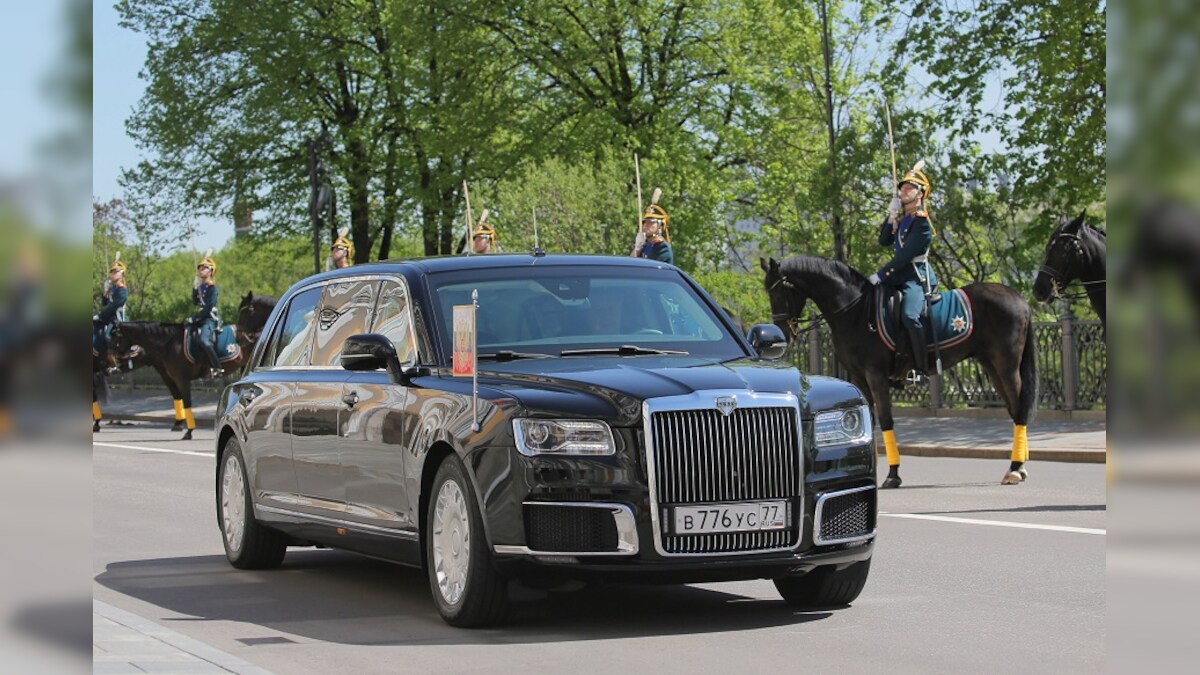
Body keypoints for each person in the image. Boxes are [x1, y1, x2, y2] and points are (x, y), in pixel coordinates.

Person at [868, 167, 937, 381]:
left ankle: (921, 369)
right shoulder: (902, 219)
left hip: (916, 276)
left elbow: (904, 256)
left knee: (909, 315)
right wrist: (891, 216)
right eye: (903, 188)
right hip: (900, 274)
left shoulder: (922, 223)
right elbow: (883, 241)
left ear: (920, 194)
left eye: (910, 188)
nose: (904, 191)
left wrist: (881, 274)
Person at [188, 255, 223, 379]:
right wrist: (194, 288)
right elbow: (195, 302)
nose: (201, 270)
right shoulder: (201, 287)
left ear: (211, 271)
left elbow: (208, 307)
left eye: (204, 268)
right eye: (200, 268)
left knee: (204, 340)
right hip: (200, 317)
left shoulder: (212, 288)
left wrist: (196, 318)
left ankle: (217, 367)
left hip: (208, 318)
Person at [93, 254, 128, 358]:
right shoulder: (113, 289)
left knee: (107, 336)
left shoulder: (122, 290)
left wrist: (100, 315)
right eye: (112, 272)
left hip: (117, 318)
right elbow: (105, 303)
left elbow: (114, 307)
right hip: (109, 317)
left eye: (116, 272)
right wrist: (105, 291)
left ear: (122, 273)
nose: (113, 274)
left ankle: (114, 360)